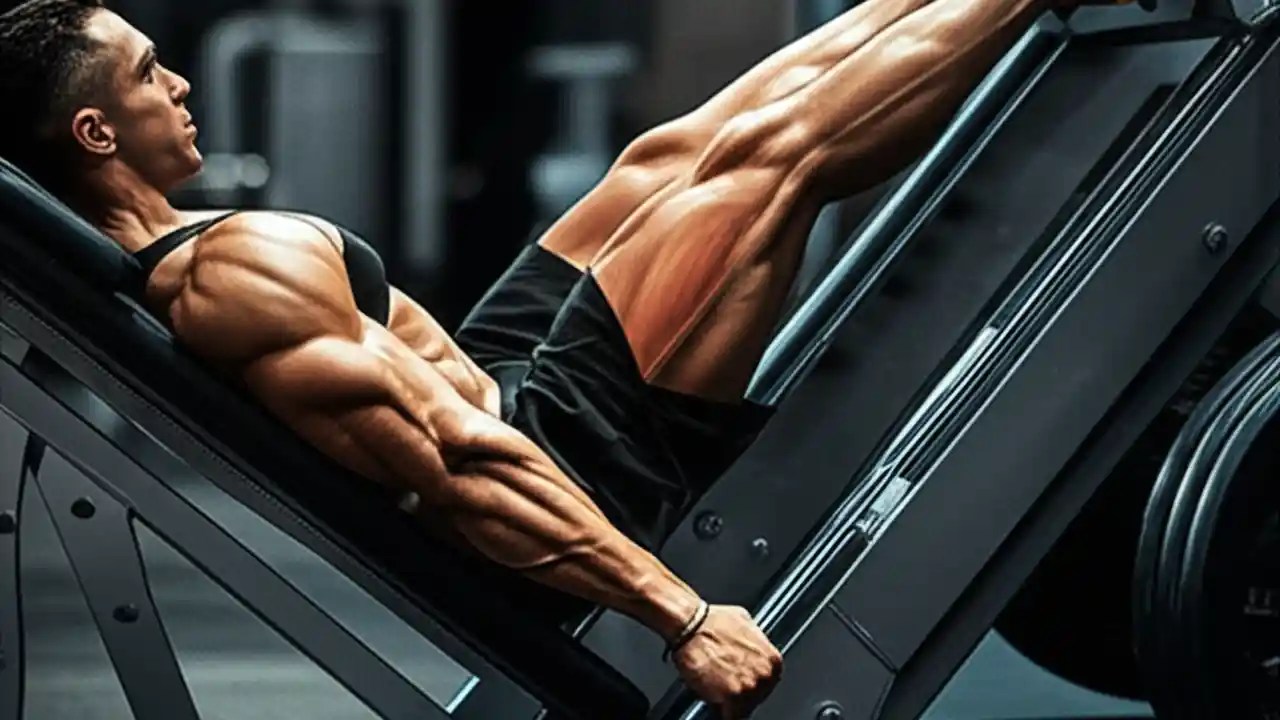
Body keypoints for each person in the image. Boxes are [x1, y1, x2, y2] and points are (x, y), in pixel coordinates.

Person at [0, 0, 1133, 715]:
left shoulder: (214, 262)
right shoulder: (227, 275)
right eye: (150, 73)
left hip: (502, 388)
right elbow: (451, 465)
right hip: (563, 462)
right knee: (765, 163)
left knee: (672, 151)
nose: (181, 84)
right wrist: (682, 619)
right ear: (97, 136)